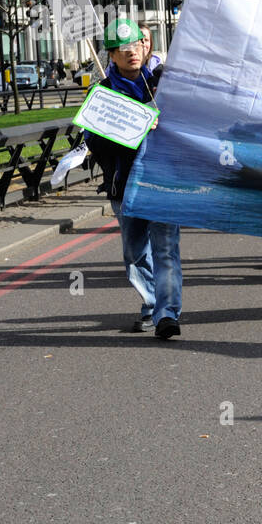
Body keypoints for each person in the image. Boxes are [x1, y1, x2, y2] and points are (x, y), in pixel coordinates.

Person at [85, 17, 183, 340]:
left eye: (136, 44)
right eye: (122, 47)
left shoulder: (163, 85)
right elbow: (94, 144)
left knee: (166, 250)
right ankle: (152, 303)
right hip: (125, 186)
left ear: (146, 45)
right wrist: (128, 128)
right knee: (135, 254)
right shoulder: (101, 93)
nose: (132, 52)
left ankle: (166, 313)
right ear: (111, 55)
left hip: (163, 182)